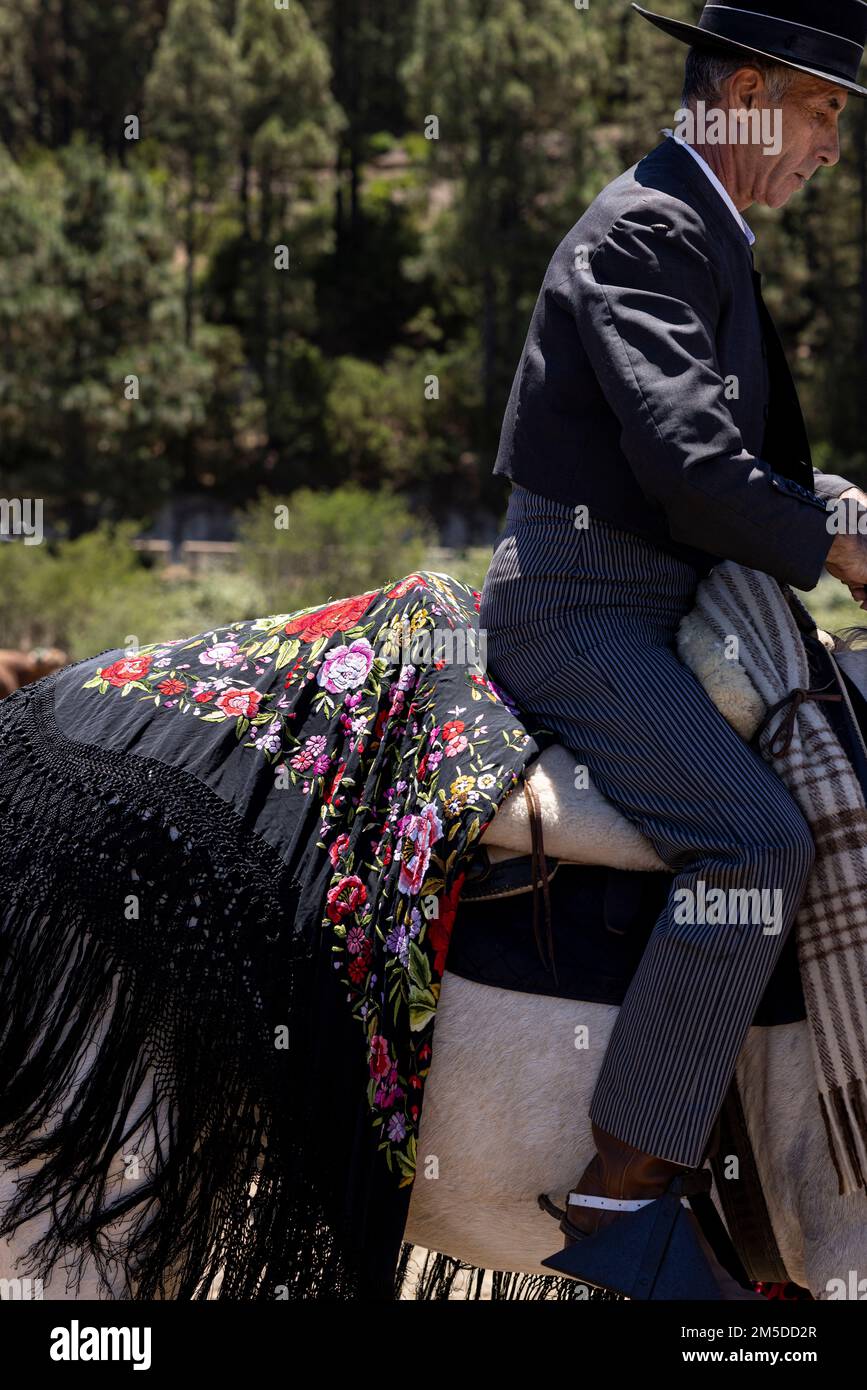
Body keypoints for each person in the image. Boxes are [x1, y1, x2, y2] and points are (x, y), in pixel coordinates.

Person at [479, 0, 867, 1299]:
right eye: (823, 114)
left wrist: (839, 512)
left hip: (664, 602)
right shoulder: (652, 224)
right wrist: (848, 551)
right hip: (583, 612)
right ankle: (623, 1199)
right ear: (749, 93)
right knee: (757, 839)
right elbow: (695, 467)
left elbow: (748, 470)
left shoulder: (705, 230)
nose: (830, 148)